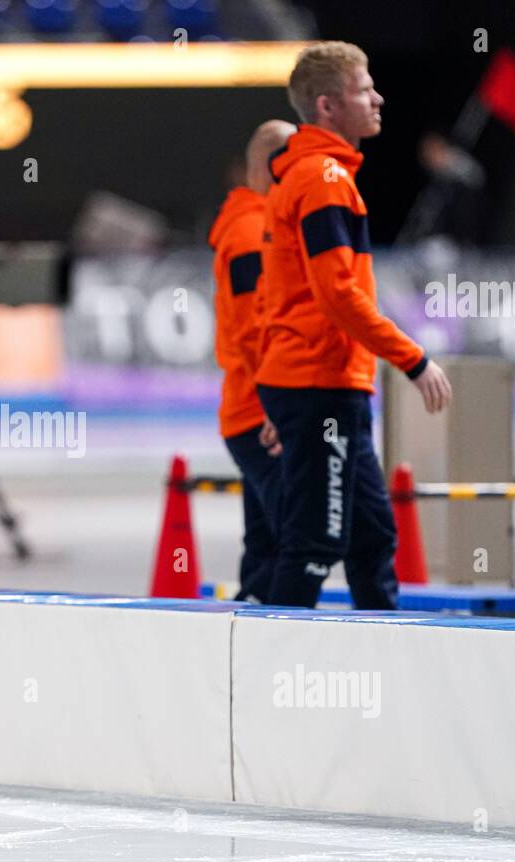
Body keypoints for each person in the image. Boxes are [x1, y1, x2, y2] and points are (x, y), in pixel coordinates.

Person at [255, 42, 452, 610]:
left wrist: (278, 385)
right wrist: (412, 359)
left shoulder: (307, 176)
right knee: (317, 541)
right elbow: (338, 296)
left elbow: (279, 295)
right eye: (365, 89)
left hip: (313, 383)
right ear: (326, 106)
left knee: (371, 535)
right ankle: (273, 668)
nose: (378, 98)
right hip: (320, 383)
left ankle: (381, 657)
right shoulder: (322, 179)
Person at [208, 120, 295, 601]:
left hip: (255, 408)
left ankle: (255, 640)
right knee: (292, 542)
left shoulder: (257, 224)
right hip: (260, 413)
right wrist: (278, 406)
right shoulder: (250, 233)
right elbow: (252, 328)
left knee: (267, 547)